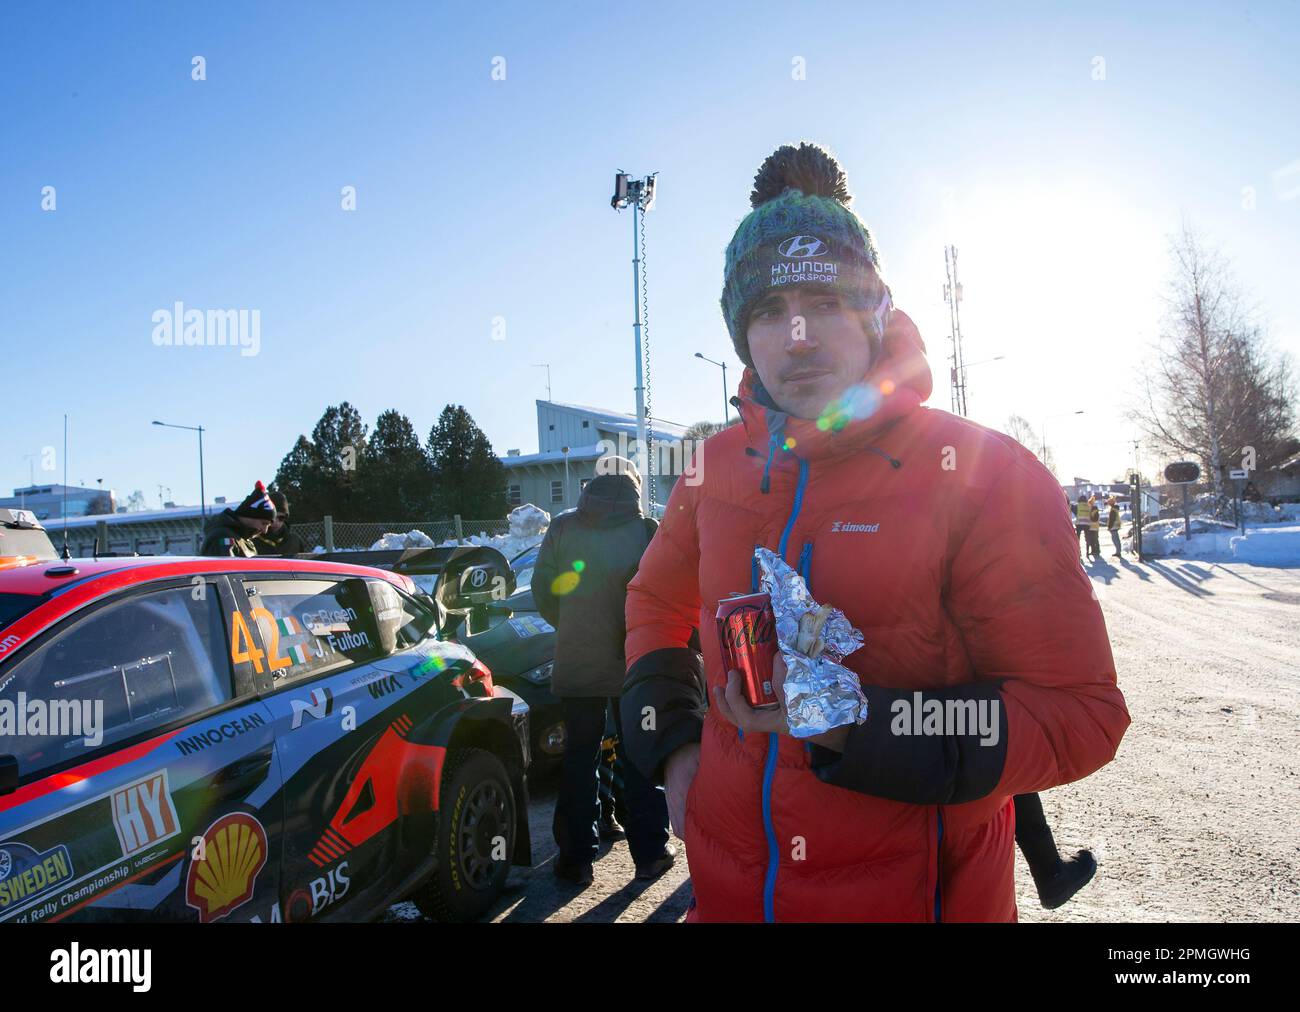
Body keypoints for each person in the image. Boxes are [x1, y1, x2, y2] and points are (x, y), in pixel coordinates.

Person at [620, 142, 1129, 922]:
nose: (798, 336)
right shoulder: (711, 468)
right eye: (767, 310)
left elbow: (1078, 713)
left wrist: (859, 723)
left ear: (873, 314)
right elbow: (653, 599)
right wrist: (674, 746)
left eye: (824, 304)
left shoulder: (983, 472)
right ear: (742, 335)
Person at [531, 457, 675, 886]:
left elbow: (543, 590)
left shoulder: (562, 528)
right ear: (633, 488)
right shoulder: (647, 530)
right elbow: (664, 591)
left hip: (578, 663)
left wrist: (574, 628)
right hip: (634, 661)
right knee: (639, 755)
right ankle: (649, 853)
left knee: (579, 757)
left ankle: (576, 858)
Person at [199, 480, 275, 557]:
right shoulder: (224, 538)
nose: (265, 530)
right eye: (264, 523)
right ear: (249, 515)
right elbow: (227, 567)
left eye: (268, 525)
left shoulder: (244, 541)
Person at [251, 490, 309, 557]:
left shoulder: (295, 541)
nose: (276, 522)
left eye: (281, 518)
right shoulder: (253, 541)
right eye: (273, 517)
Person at [1086, 494, 1103, 561]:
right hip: (1092, 527)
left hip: (1094, 527)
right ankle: (1094, 550)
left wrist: (1090, 518)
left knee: (1095, 539)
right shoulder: (1092, 510)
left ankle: (1097, 550)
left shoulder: (1094, 510)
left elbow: (1094, 519)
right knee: (1092, 540)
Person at [1075, 494, 1091, 559]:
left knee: (1078, 539)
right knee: (1087, 539)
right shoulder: (1089, 506)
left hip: (1079, 524)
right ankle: (1087, 552)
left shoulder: (1078, 506)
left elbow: (1075, 512)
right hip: (1087, 524)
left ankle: (1079, 552)